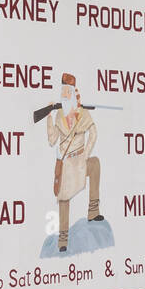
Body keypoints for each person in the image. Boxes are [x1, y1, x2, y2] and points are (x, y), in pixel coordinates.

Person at [46, 72, 103, 253]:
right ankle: (63, 239)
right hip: (66, 164)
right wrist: (48, 116)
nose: (64, 95)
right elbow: (52, 140)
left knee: (95, 164)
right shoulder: (59, 115)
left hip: (80, 160)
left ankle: (93, 212)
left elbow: (93, 132)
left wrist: (86, 154)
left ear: (73, 92)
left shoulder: (83, 114)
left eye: (67, 92)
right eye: (63, 92)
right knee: (64, 197)